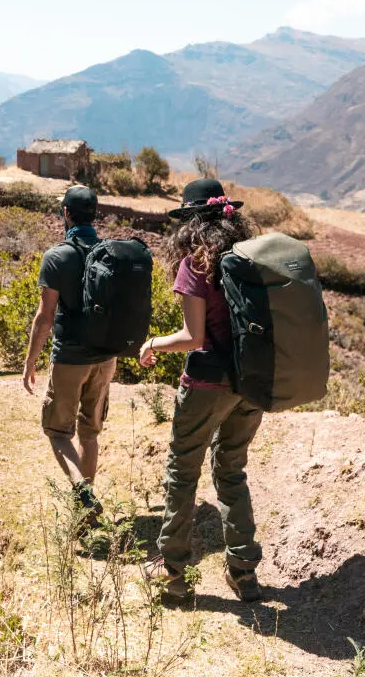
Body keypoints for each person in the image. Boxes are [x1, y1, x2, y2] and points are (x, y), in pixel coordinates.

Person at [138, 178, 263, 602]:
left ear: (190, 222)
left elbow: (193, 337)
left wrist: (153, 343)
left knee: (182, 472)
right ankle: (244, 572)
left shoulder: (196, 264)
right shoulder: (251, 260)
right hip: (251, 382)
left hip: (208, 382)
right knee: (232, 471)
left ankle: (172, 571)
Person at [21, 185, 116, 524]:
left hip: (71, 357)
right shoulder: (111, 252)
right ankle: (86, 515)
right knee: (89, 432)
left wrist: (31, 360)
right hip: (106, 358)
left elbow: (45, 316)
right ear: (95, 214)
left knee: (59, 432)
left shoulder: (57, 256)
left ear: (65, 214)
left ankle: (82, 492)